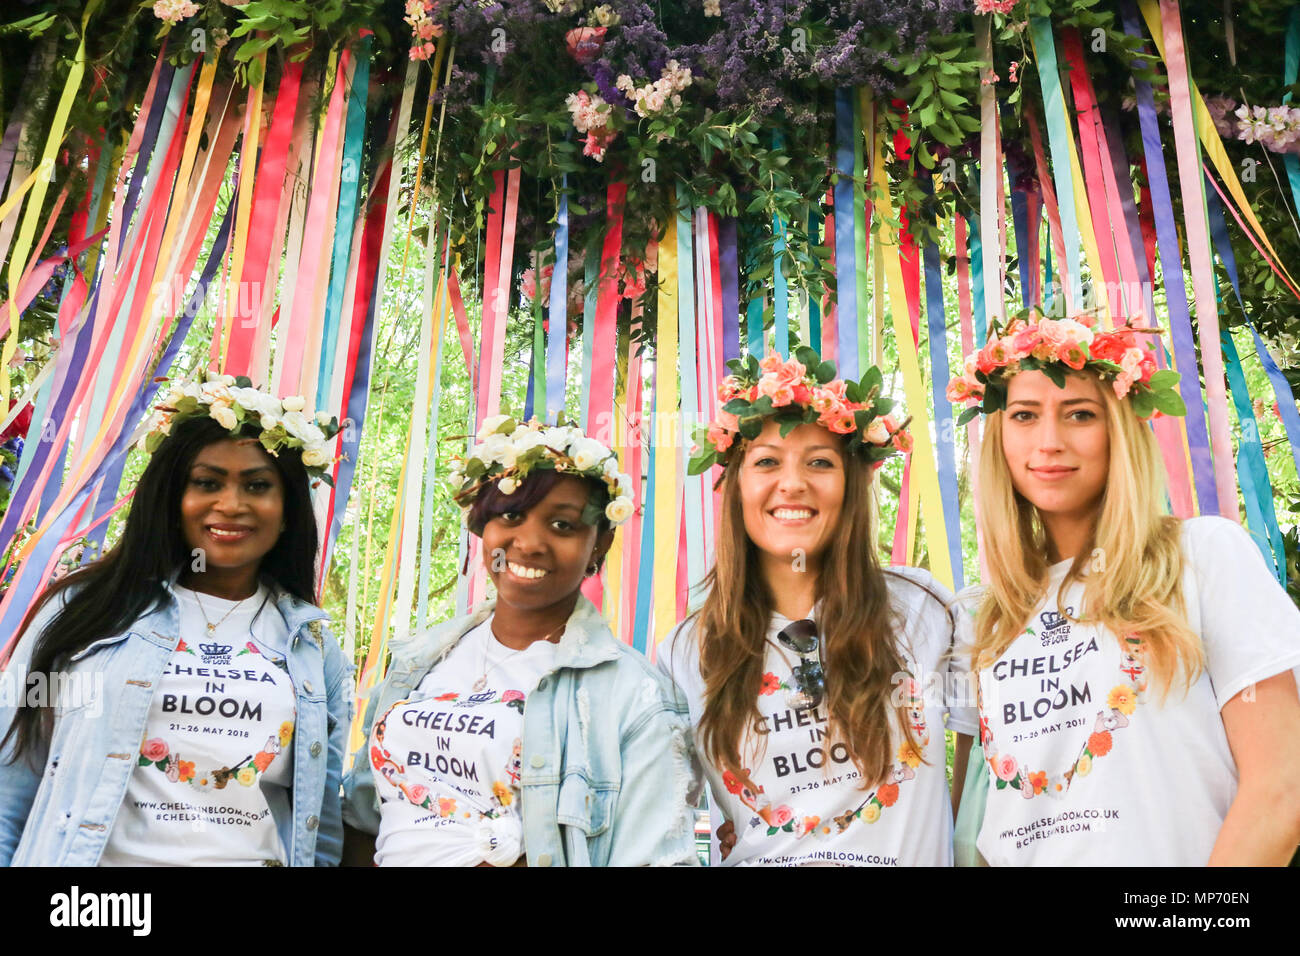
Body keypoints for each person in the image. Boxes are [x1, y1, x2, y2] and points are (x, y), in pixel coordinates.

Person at [946, 309, 1300, 865]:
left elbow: (1284, 785)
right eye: (1023, 415)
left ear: (1119, 427)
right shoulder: (984, 614)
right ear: (999, 437)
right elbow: (982, 829)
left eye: (1080, 414)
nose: (1049, 442)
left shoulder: (1203, 555)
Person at [0, 375, 353, 866]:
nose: (231, 505)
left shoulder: (312, 647)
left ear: (288, 509)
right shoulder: (83, 612)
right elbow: (9, 783)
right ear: (171, 498)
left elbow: (321, 822)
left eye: (257, 485)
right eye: (207, 483)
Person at [658, 347, 977, 867]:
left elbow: (979, 770)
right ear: (735, 485)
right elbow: (662, 822)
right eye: (766, 462)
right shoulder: (685, 650)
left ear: (855, 482)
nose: (793, 483)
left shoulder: (924, 609)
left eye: (820, 462)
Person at [341, 416, 700, 867]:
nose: (529, 543)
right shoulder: (418, 661)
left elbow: (657, 857)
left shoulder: (636, 696)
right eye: (511, 515)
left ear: (599, 545)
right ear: (482, 526)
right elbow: (360, 823)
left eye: (563, 525)